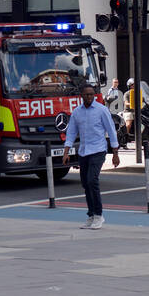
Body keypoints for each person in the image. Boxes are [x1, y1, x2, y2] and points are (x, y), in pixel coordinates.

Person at [61, 83, 121, 230]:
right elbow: (71, 132)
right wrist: (66, 151)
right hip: (83, 152)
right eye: (86, 94)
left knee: (92, 180)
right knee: (85, 184)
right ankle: (91, 215)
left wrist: (115, 153)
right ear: (81, 95)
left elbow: (111, 130)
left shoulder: (101, 110)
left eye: (91, 94)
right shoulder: (76, 112)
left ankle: (99, 215)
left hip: (98, 150)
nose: (89, 97)